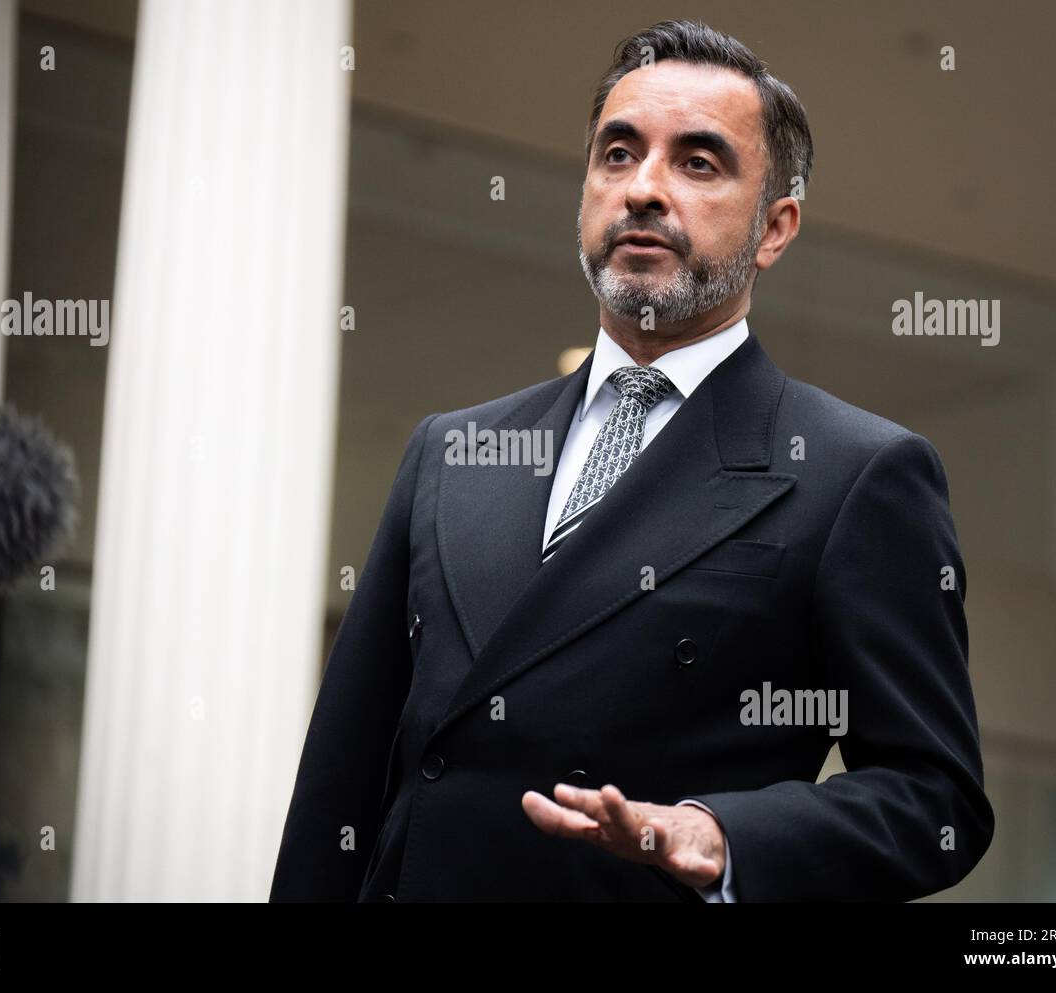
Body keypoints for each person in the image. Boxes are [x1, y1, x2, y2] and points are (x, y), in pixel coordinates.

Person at [269, 20, 993, 902]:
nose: (644, 189)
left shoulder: (858, 474)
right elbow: (340, 777)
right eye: (618, 154)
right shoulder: (451, 451)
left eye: (698, 162)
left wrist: (722, 831)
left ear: (776, 228)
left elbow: (936, 797)